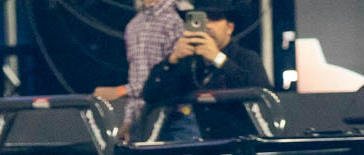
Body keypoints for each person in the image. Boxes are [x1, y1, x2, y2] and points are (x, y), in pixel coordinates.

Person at [141, 0, 270, 142]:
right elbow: (150, 94)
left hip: (235, 145)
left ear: (229, 27)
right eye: (200, 18)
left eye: (214, 18)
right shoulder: (188, 63)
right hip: (191, 147)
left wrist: (218, 59)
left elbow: (262, 93)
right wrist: (172, 60)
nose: (207, 24)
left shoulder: (245, 57)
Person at [93, 0, 184, 138]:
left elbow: (176, 78)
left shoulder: (175, 21)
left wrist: (121, 91)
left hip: (170, 118)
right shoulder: (133, 25)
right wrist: (129, 121)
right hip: (140, 121)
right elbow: (137, 76)